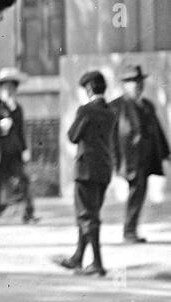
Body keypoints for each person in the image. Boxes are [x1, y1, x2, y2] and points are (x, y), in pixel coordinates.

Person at [57, 71, 117, 277]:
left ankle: (97, 263)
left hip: (85, 171)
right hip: (104, 170)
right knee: (91, 214)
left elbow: (72, 136)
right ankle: (78, 257)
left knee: (86, 216)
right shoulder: (111, 112)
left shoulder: (86, 111)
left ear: (89, 89)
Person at [111, 64, 170, 243]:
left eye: (138, 82)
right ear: (124, 85)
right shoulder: (116, 107)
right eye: (131, 82)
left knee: (138, 193)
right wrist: (113, 162)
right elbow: (110, 136)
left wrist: (166, 152)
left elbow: (157, 130)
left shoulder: (147, 106)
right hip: (128, 159)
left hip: (145, 159)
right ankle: (129, 231)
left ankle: (130, 230)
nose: (136, 86)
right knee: (136, 193)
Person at [0, 67, 36, 224]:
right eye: (6, 87)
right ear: (1, 89)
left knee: (23, 179)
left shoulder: (18, 108)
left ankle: (28, 213)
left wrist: (25, 149)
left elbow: (20, 129)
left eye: (12, 87)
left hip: (14, 151)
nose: (9, 90)